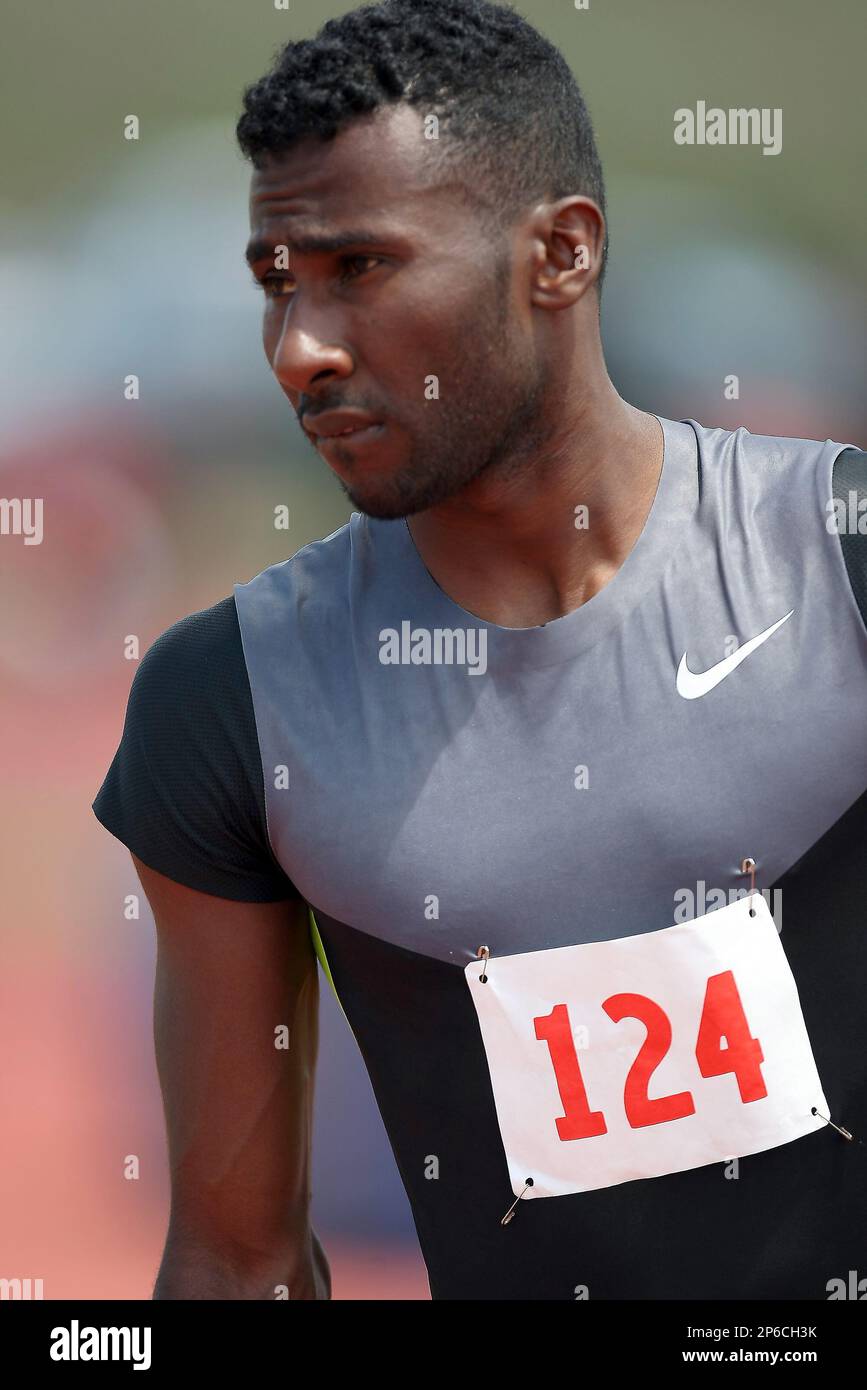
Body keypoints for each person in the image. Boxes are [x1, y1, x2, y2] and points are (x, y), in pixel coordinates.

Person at [92, 0, 867, 1300]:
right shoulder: (230, 702)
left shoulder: (840, 562)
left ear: (560, 254)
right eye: (277, 283)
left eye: (361, 268)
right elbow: (234, 1262)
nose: (300, 350)